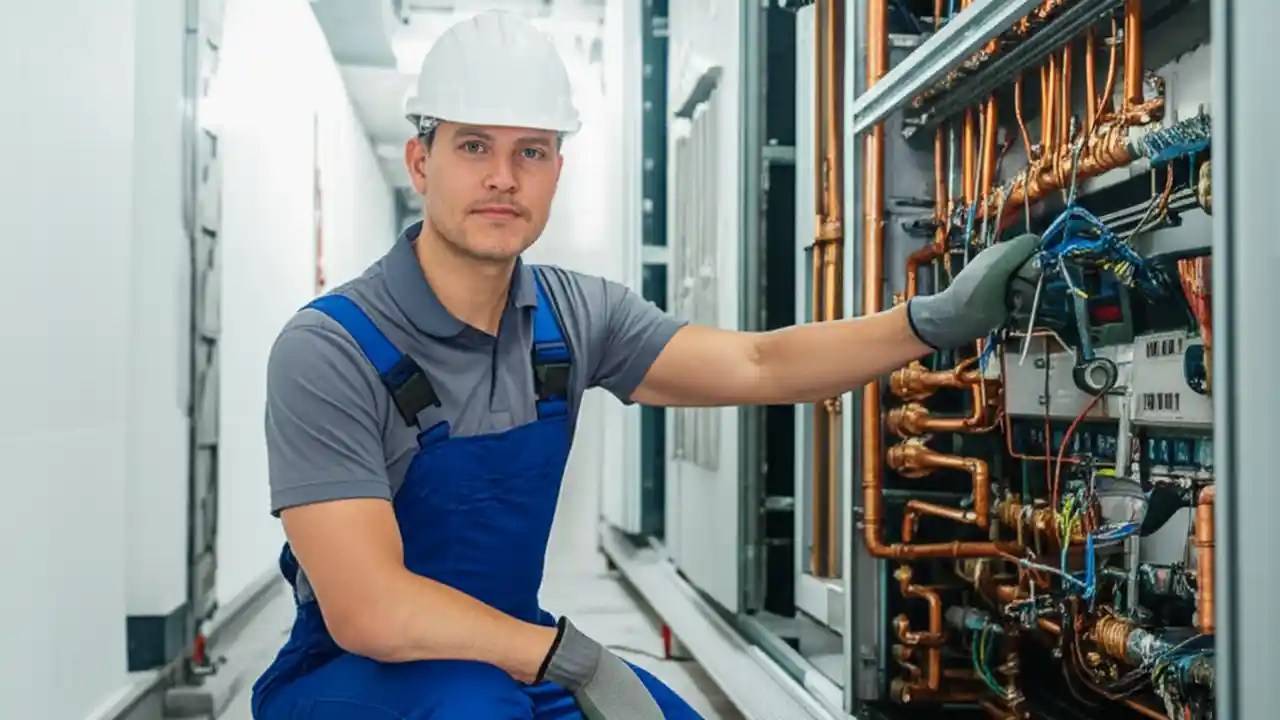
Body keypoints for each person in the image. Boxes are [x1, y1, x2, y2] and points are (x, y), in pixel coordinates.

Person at [249, 10, 1040, 720]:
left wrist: (929, 321)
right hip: (350, 677)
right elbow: (370, 610)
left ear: (557, 168)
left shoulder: (571, 318)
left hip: (506, 656)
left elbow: (760, 364)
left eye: (531, 150)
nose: (502, 177)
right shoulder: (332, 349)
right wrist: (568, 657)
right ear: (421, 164)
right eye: (473, 146)